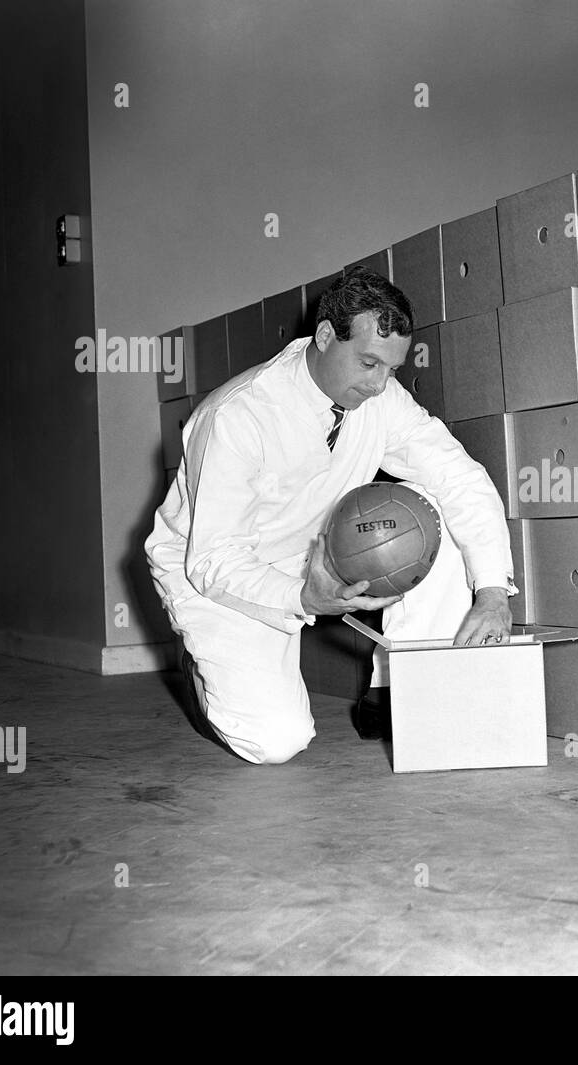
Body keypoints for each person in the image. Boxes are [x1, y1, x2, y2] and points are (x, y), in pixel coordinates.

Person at [144, 268, 516, 764]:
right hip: (218, 575)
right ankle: (200, 668)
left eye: (391, 369)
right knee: (276, 742)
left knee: (435, 505)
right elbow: (214, 558)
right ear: (323, 336)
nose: (380, 384)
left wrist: (491, 592)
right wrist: (302, 596)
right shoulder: (237, 415)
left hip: (317, 551)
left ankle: (399, 692)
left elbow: (462, 479)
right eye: (368, 363)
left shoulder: (382, 398)